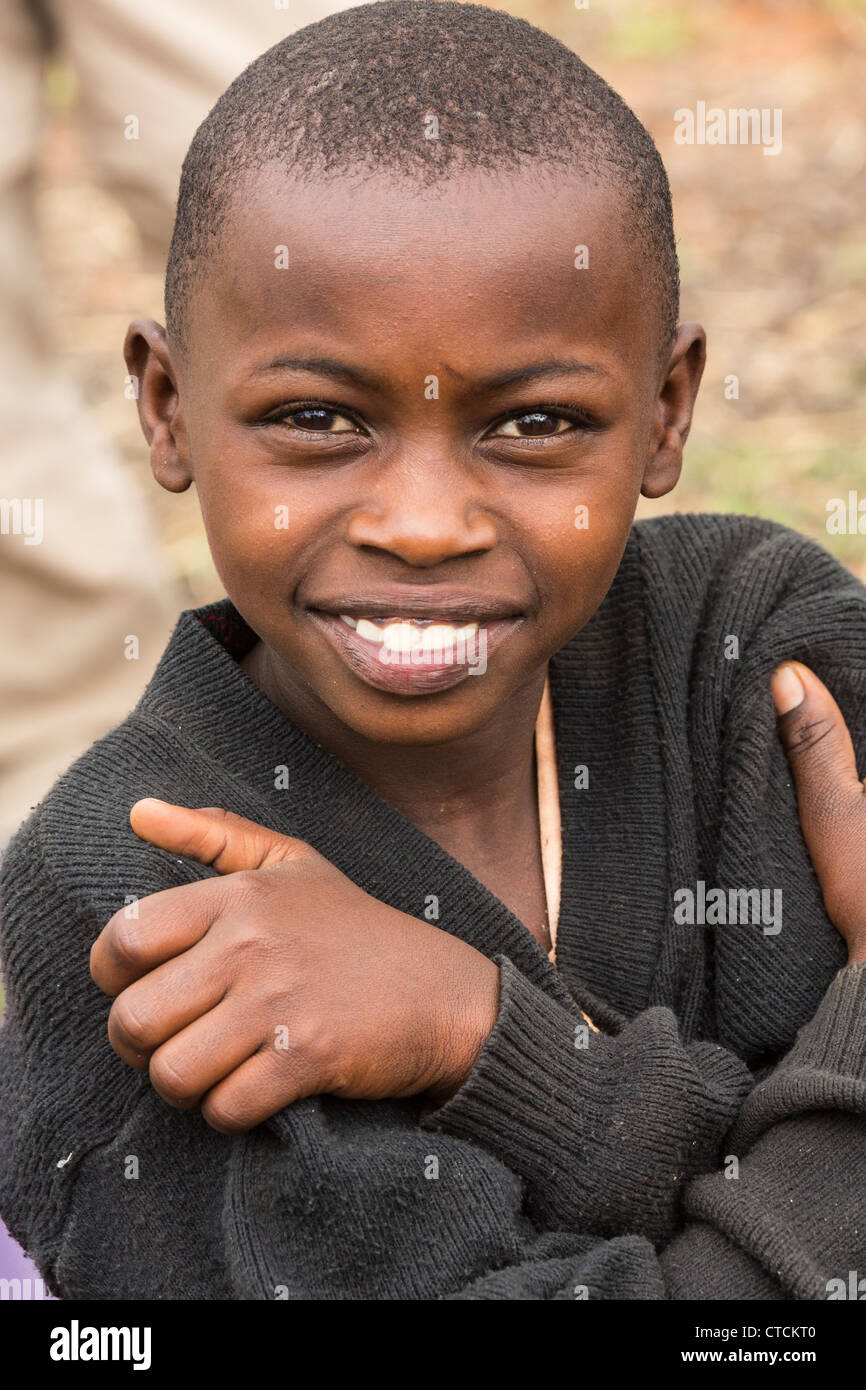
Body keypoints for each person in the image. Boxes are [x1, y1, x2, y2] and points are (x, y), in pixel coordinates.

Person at [1, 0, 865, 1300]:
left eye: (529, 424)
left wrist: (487, 1035)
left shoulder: (750, 652)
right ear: (168, 408)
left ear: (666, 412)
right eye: (313, 416)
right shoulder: (142, 917)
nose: (420, 525)